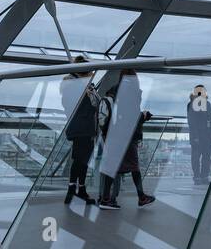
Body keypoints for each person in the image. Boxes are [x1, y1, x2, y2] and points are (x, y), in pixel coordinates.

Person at [97, 71, 155, 209]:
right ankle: (141, 197)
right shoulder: (129, 92)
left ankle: (105, 198)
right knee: (134, 166)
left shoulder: (114, 91)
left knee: (113, 166)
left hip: (113, 135)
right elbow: (131, 116)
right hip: (126, 136)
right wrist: (144, 116)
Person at [59, 56, 98, 204]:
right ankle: (76, 190)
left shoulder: (74, 86)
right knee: (81, 159)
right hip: (83, 128)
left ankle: (76, 189)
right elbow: (86, 107)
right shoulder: (76, 87)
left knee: (81, 159)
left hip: (81, 127)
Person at [186, 84, 211, 185]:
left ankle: (204, 176)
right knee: (196, 157)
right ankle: (197, 177)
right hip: (198, 135)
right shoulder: (192, 104)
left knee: (205, 157)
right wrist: (195, 136)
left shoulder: (207, 104)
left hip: (206, 135)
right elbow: (192, 122)